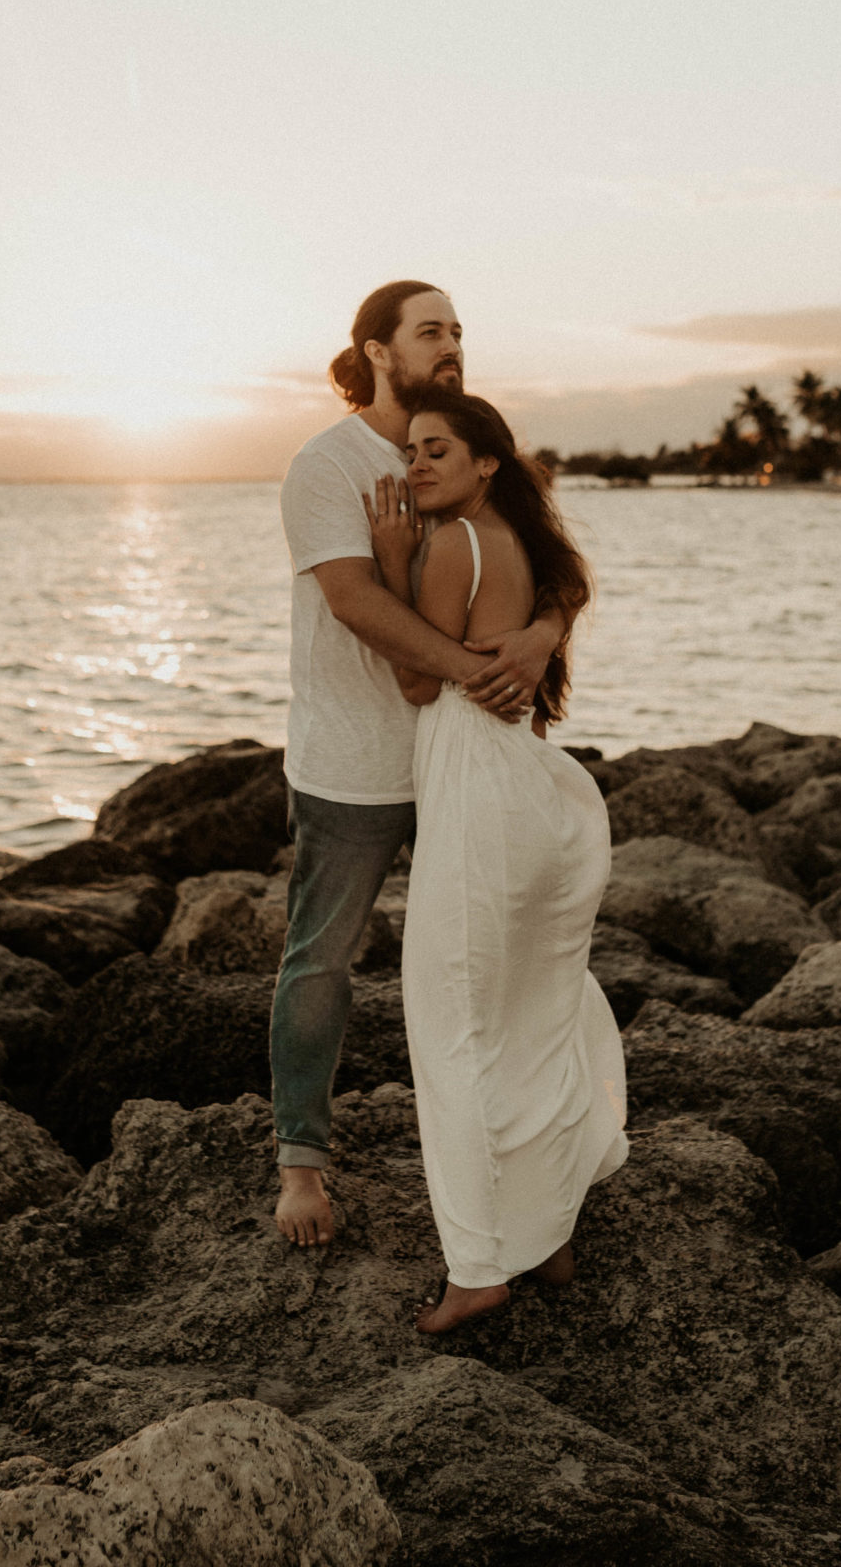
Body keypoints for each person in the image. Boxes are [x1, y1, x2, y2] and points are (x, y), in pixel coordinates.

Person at [272, 281, 570, 1250]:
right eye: (428, 331)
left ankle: (516, 1163)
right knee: (321, 956)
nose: (449, 345)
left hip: (464, 762)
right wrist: (474, 668)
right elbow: (354, 599)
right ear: (374, 350)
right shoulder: (327, 465)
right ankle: (300, 1165)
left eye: (456, 331)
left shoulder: (471, 442)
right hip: (353, 763)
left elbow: (549, 559)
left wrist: (540, 636)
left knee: (485, 966)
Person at [365, 388, 629, 1333]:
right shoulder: (520, 544)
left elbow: (412, 675)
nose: (417, 465)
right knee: (529, 1015)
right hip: (530, 796)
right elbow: (559, 599)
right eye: (411, 451)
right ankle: (547, 1232)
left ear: (487, 465)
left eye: (439, 450)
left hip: (481, 801)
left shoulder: (450, 546)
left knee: (455, 1030)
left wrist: (394, 563)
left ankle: (479, 1266)